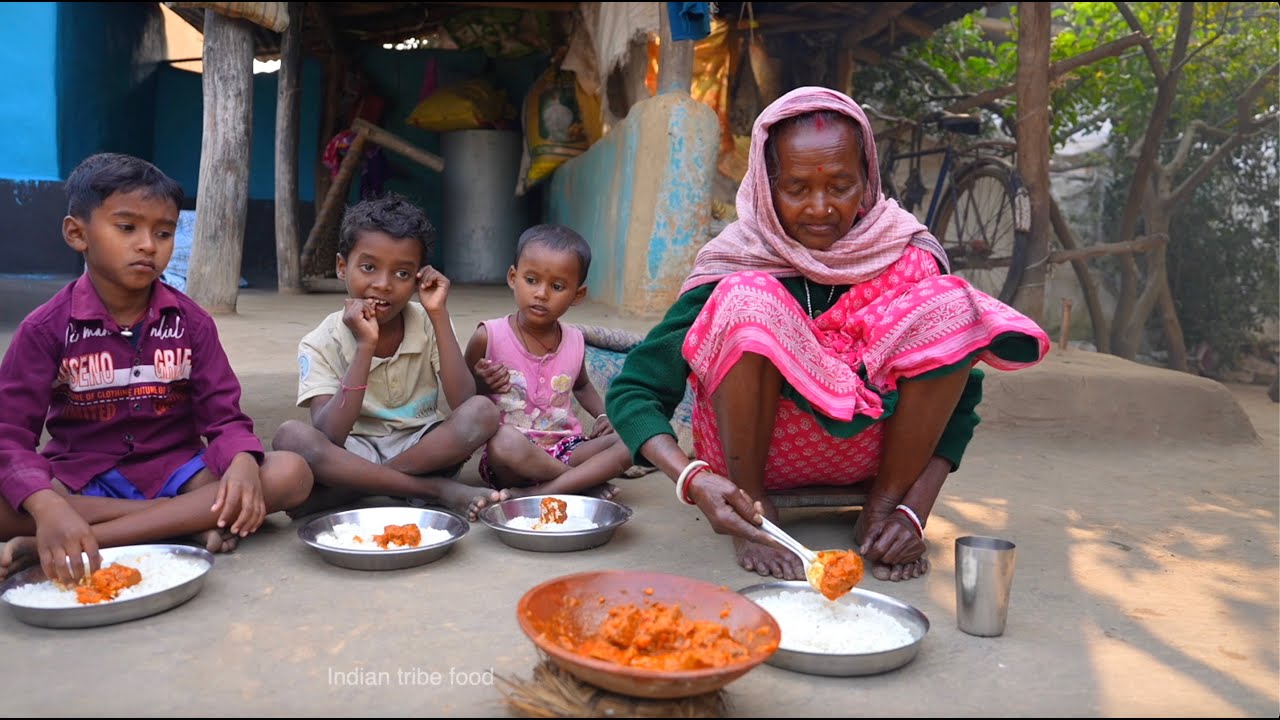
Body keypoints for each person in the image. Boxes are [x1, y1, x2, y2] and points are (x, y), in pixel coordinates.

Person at [605, 87, 1049, 582]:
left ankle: (880, 508)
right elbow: (635, 391)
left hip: (878, 466)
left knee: (951, 302)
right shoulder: (735, 261)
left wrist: (912, 510)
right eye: (796, 188)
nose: (820, 207)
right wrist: (693, 478)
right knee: (748, 298)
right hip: (748, 469)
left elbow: (958, 395)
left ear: (868, 181)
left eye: (841, 185)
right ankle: (757, 515)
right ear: (765, 187)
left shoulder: (906, 255)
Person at [0, 153, 314, 583]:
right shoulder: (45, 330)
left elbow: (224, 417)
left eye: (164, 232)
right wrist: (48, 505)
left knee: (289, 474)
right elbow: (9, 436)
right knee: (20, 492)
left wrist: (241, 460)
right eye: (127, 227)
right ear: (77, 233)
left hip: (177, 474)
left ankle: (70, 540)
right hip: (82, 477)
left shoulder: (191, 322)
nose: (148, 244)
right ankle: (174, 524)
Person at [272, 195, 503, 521]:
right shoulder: (319, 342)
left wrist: (438, 313)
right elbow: (330, 434)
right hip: (353, 449)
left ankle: (355, 487)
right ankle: (431, 491)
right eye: (368, 267)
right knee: (290, 436)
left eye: (402, 274)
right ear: (342, 266)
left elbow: (464, 402)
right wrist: (365, 346)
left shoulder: (427, 320)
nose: (382, 285)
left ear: (419, 278)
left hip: (422, 449)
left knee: (483, 411)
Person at [464, 224, 632, 499]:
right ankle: (582, 483)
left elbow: (581, 386)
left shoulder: (575, 340)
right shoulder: (488, 336)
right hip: (511, 457)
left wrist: (603, 415)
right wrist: (481, 385)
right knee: (504, 441)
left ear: (577, 295)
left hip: (567, 447)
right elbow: (463, 395)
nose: (541, 293)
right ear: (512, 277)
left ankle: (545, 490)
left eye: (557, 286)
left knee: (634, 440)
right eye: (531, 280)